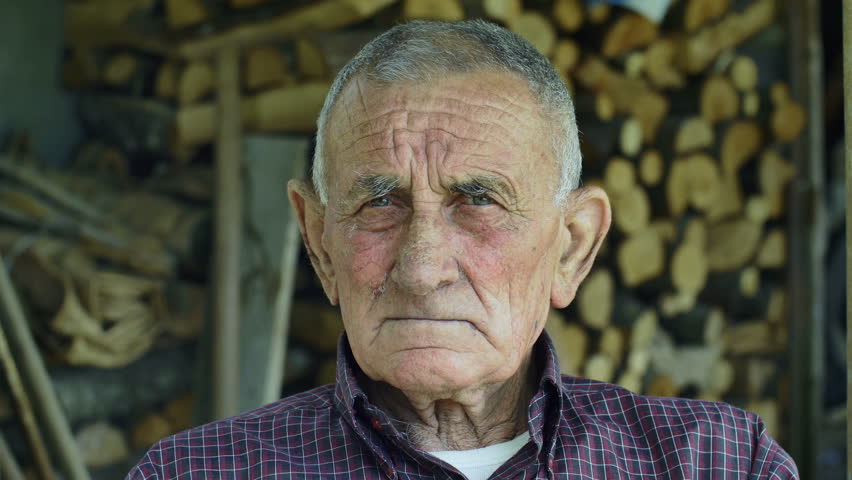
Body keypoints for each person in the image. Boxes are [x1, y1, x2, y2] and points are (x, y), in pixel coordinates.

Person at [127, 20, 798, 479]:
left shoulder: (717, 464)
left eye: (479, 201)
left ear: (573, 247)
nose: (422, 268)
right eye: (379, 203)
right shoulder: (193, 473)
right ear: (319, 243)